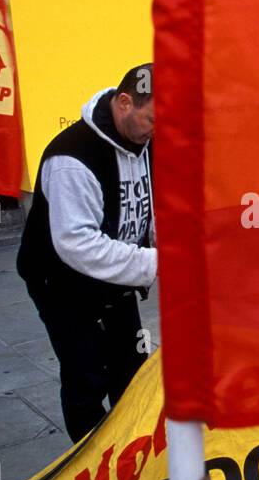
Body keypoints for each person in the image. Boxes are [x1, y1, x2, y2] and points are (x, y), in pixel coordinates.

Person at [17, 63, 157, 442]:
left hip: (115, 281)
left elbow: (151, 205)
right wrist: (158, 262)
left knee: (132, 371)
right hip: (62, 283)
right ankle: (88, 467)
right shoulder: (71, 159)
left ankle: (131, 457)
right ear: (124, 103)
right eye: (153, 118)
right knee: (86, 375)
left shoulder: (147, 141)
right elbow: (77, 244)